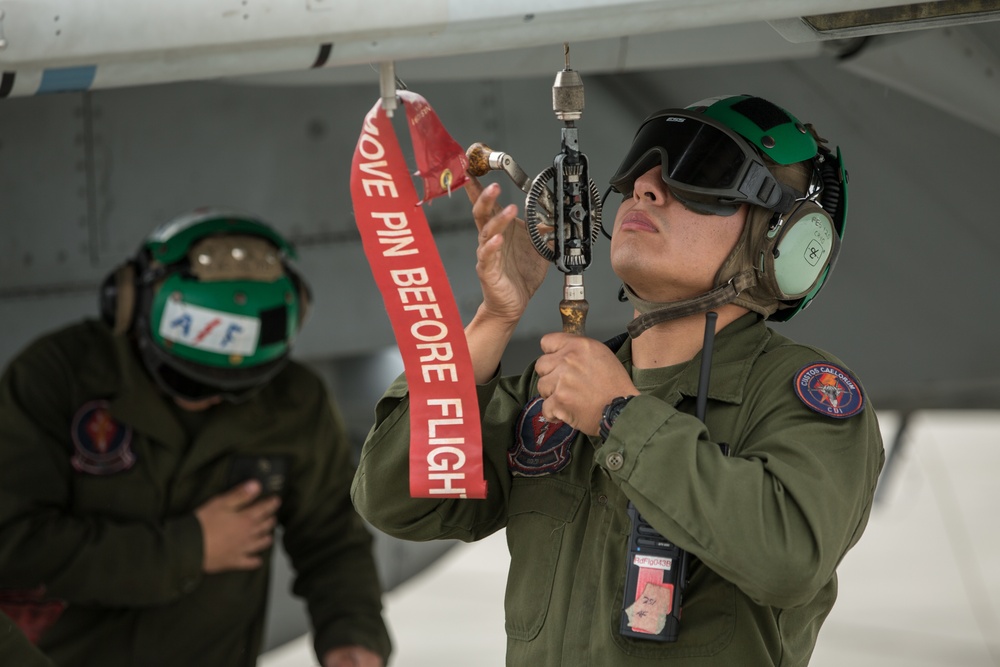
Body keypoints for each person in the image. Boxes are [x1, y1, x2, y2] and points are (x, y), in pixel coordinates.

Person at [352, 94, 884, 665]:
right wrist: (494, 319)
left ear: (781, 239)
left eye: (700, 174)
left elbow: (788, 557)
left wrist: (618, 416)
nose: (646, 187)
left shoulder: (801, 395)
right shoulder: (559, 389)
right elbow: (394, 498)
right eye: (640, 170)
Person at [0, 209, 392, 667]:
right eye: (186, 382)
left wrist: (352, 635)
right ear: (128, 307)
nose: (208, 400)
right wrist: (191, 548)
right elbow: (13, 544)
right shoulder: (56, 379)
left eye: (233, 390)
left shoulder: (293, 401)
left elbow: (332, 538)